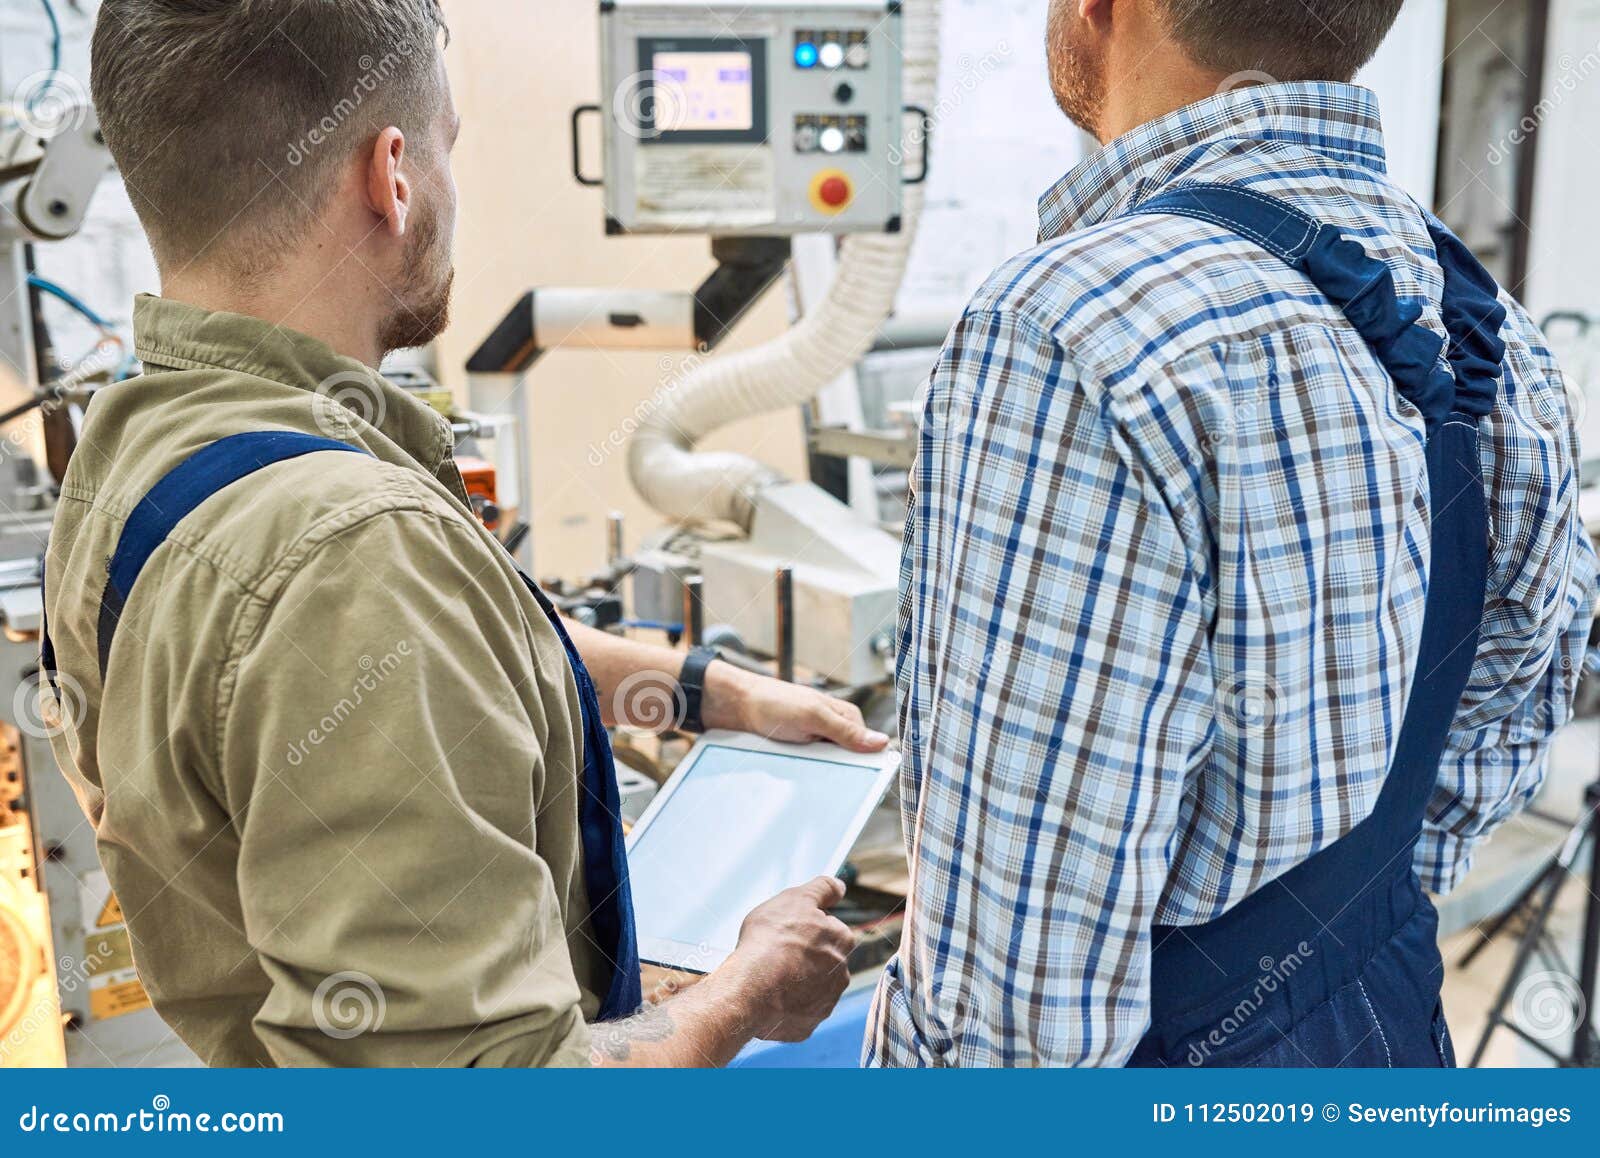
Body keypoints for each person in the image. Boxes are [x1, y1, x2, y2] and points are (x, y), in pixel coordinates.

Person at [45, 0, 888, 1068]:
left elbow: (409, 649)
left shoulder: (136, 449)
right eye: (448, 148)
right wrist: (741, 989)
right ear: (391, 175)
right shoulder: (357, 547)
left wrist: (707, 692)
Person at [869, 0, 1597, 1068]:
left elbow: (1008, 1016)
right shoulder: (1477, 309)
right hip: (1384, 1014)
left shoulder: (1068, 324)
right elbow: (1502, 730)